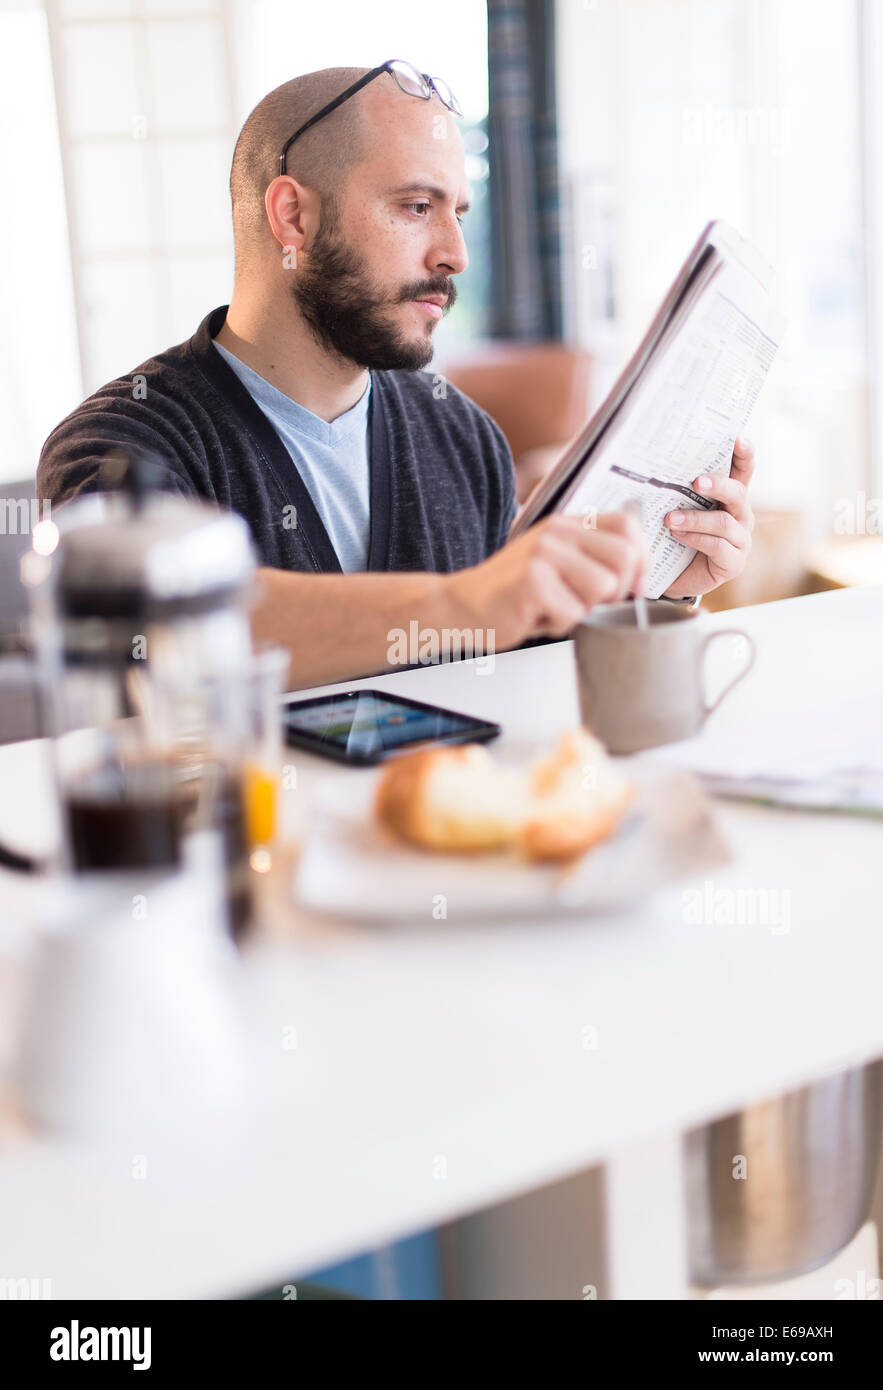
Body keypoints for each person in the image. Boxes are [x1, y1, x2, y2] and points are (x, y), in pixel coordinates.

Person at [38, 61, 756, 687]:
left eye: (459, 215)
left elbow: (505, 662)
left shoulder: (461, 435)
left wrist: (658, 591)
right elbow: (159, 631)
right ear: (293, 216)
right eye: (415, 208)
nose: (454, 255)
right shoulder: (122, 444)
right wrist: (464, 603)